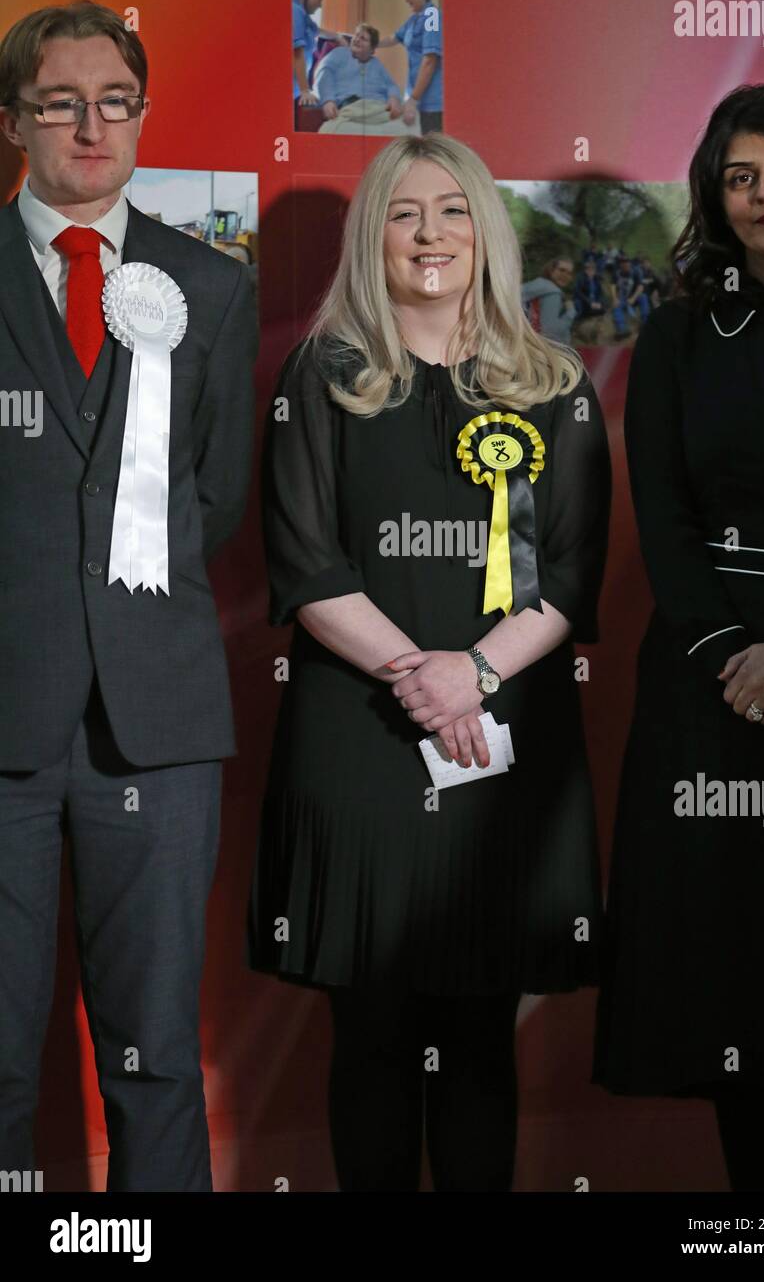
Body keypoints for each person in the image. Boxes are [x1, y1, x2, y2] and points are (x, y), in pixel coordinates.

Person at [248, 132, 610, 1192]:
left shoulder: (552, 383)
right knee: (369, 1027)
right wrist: (426, 675)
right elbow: (304, 563)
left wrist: (478, 674)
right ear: (374, 236)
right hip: (358, 742)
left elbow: (575, 569)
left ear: (485, 231)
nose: (429, 234)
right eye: (404, 213)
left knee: (477, 1027)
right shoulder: (322, 375)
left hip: (505, 747)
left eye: (451, 210)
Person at [0, 0, 257, 1190]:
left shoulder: (209, 279)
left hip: (155, 723)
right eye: (61, 101)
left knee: (153, 1056)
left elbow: (213, 495)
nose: (91, 125)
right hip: (3, 718)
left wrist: (120, 609)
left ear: (143, 114)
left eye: (115, 100)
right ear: (16, 121)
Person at [594, 82, 764, 1192]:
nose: (761, 193)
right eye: (737, 175)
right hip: (713, 696)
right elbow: (661, 517)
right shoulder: (675, 337)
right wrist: (736, 660)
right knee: (735, 982)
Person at [316, 24, 411, 136]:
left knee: (411, 125)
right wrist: (328, 100)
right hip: (351, 110)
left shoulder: (377, 64)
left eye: (363, 38)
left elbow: (391, 85)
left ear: (372, 50)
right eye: (356, 35)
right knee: (329, 131)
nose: (357, 39)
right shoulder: (338, 53)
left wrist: (394, 98)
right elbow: (324, 74)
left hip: (378, 110)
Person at [378, 0, 443, 135]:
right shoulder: (414, 19)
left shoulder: (432, 16)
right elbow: (395, 37)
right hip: (417, 95)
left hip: (431, 100)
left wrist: (413, 100)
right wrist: (373, 44)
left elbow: (430, 60)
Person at [292, 0, 347, 116]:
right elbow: (297, 53)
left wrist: (337, 36)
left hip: (296, 89)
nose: (320, 5)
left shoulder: (303, 15)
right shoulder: (295, 11)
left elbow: (317, 31)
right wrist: (305, 91)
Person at [521, 256, 576, 342]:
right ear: (551, 270)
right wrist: (571, 312)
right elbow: (550, 332)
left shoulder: (536, 285)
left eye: (569, 273)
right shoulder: (553, 293)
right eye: (562, 270)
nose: (565, 275)